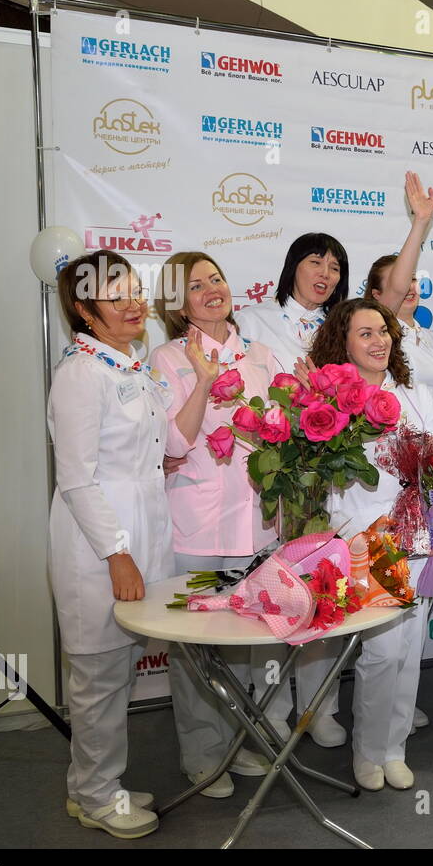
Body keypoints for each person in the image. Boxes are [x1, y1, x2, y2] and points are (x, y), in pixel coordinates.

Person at [48, 250, 174, 839]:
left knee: (116, 675)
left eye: (133, 288)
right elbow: (76, 479)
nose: (131, 302)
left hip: (140, 535)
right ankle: (100, 797)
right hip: (98, 549)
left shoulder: (130, 364)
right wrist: (118, 554)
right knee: (97, 681)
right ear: (83, 309)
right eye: (113, 293)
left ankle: (90, 787)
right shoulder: (80, 373)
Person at [150, 252, 281, 796]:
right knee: (197, 645)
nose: (211, 290)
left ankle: (238, 740)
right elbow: (172, 443)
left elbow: (283, 431)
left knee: (249, 641)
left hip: (257, 522)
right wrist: (203, 383)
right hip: (197, 524)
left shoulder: (261, 355)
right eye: (195, 285)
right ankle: (202, 754)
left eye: (217, 279)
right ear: (177, 304)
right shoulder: (165, 358)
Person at [310, 298, 433, 790]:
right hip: (368, 543)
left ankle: (395, 748)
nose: (379, 341)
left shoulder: (413, 394)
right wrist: (359, 538)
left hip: (418, 541)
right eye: (365, 333)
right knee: (382, 653)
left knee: (409, 648)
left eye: (384, 330)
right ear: (342, 343)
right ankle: (367, 752)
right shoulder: (330, 402)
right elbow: (327, 486)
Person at [234, 232, 349, 747]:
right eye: (315, 262)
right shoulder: (255, 319)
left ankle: (319, 708)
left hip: (332, 474)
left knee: (324, 590)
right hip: (279, 476)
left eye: (335, 267)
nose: (325, 273)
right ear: (292, 267)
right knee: (276, 591)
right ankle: (272, 707)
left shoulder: (344, 328)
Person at [366, 172, 433, 391]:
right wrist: (420, 222)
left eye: (413, 279)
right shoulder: (380, 334)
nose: (408, 287)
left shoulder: (432, 338)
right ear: (376, 295)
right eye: (398, 281)